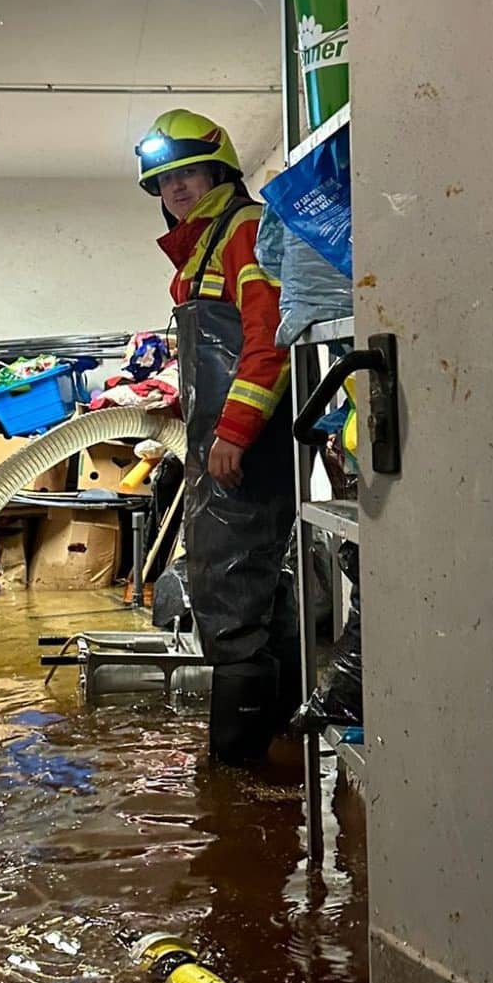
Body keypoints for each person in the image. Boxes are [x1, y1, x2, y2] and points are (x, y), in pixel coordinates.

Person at [136, 109, 298, 764]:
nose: (177, 190)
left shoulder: (245, 231)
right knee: (253, 587)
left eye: (189, 174)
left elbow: (269, 339)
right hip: (226, 442)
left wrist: (233, 430)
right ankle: (282, 735)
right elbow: (217, 355)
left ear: (219, 172)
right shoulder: (199, 251)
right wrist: (182, 403)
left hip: (247, 447)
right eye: (166, 181)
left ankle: (234, 778)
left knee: (228, 594)